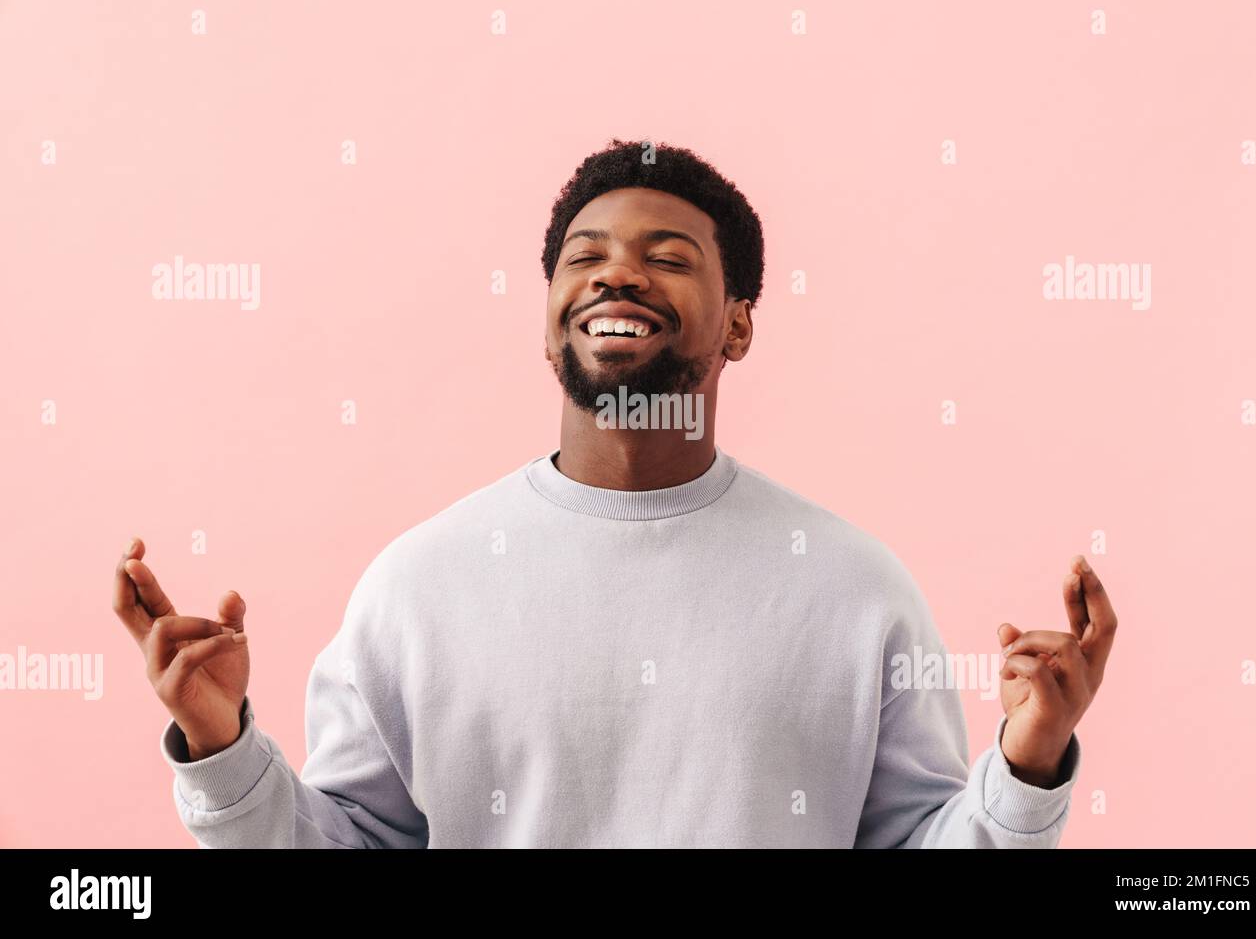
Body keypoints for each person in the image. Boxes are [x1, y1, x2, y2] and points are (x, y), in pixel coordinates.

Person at [112, 138, 1118, 848]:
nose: (616, 276)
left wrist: (1028, 761)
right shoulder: (415, 587)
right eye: (584, 258)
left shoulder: (857, 589)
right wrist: (220, 744)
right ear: (550, 317)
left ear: (737, 324)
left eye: (667, 258)